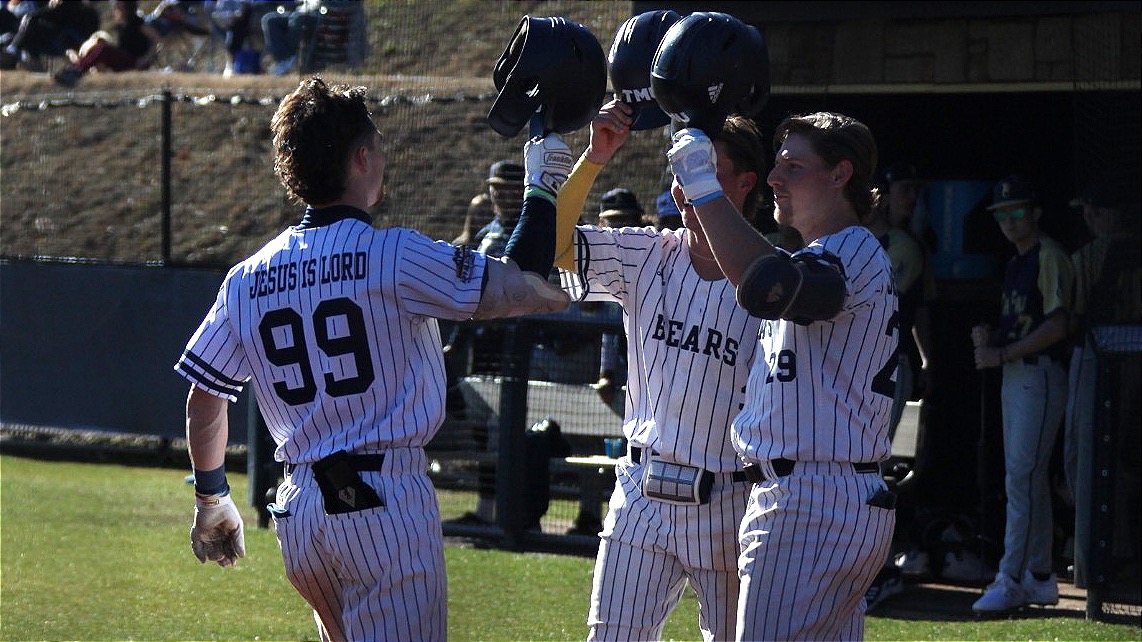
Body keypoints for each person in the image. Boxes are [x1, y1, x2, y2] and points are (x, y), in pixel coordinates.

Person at [174, 76, 572, 641]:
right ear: (361, 158)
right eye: (378, 145)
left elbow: (205, 396)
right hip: (383, 503)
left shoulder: (247, 277)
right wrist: (543, 186)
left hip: (300, 512)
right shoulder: (395, 255)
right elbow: (524, 284)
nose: (383, 156)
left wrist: (212, 499)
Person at [669, 111, 898, 640]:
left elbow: (769, 286)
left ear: (841, 174)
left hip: (813, 500)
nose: (774, 178)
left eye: (793, 166)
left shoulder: (854, 247)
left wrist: (705, 188)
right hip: (823, 494)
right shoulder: (821, 252)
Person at [554, 99, 765, 641]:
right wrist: (596, 156)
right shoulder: (648, 254)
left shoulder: (773, 278)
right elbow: (552, 244)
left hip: (732, 498)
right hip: (641, 490)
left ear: (746, 184)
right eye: (683, 174)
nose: (689, 190)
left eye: (708, 175)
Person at [969, 174, 1073, 614]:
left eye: (1017, 212)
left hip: (1038, 374)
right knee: (1028, 478)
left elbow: (1059, 324)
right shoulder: (1016, 262)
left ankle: (1009, 578)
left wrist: (1003, 350)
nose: (1009, 221)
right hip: (1016, 374)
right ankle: (1041, 575)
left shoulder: (1048, 255)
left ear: (1035, 214)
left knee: (1022, 477)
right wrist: (992, 340)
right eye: (1002, 215)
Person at [862, 161, 938, 609]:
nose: (911, 198)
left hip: (886, 367)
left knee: (872, 466)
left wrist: (929, 359)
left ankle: (883, 568)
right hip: (856, 369)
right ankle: (869, 565)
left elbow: (899, 303)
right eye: (905, 188)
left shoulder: (904, 245)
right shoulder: (855, 237)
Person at [1062, 179, 1141, 588]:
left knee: (1088, 454)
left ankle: (1096, 549)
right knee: (1120, 456)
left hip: (1100, 362)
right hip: (1128, 361)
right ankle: (1108, 548)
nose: (1089, 218)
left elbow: (1070, 320)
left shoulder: (1089, 256)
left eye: (1096, 209)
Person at [52, 0, 160, 87]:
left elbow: (156, 40)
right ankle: (76, 68)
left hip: (134, 61)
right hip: (125, 60)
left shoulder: (136, 22)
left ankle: (77, 69)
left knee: (104, 49)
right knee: (101, 45)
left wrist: (146, 59)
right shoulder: (122, 26)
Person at [0, 0, 99, 72]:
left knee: (30, 22)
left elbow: (45, 16)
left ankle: (12, 51)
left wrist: (51, 6)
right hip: (49, 35)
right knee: (11, 36)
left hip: (66, 40)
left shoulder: (74, 6)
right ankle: (13, 53)